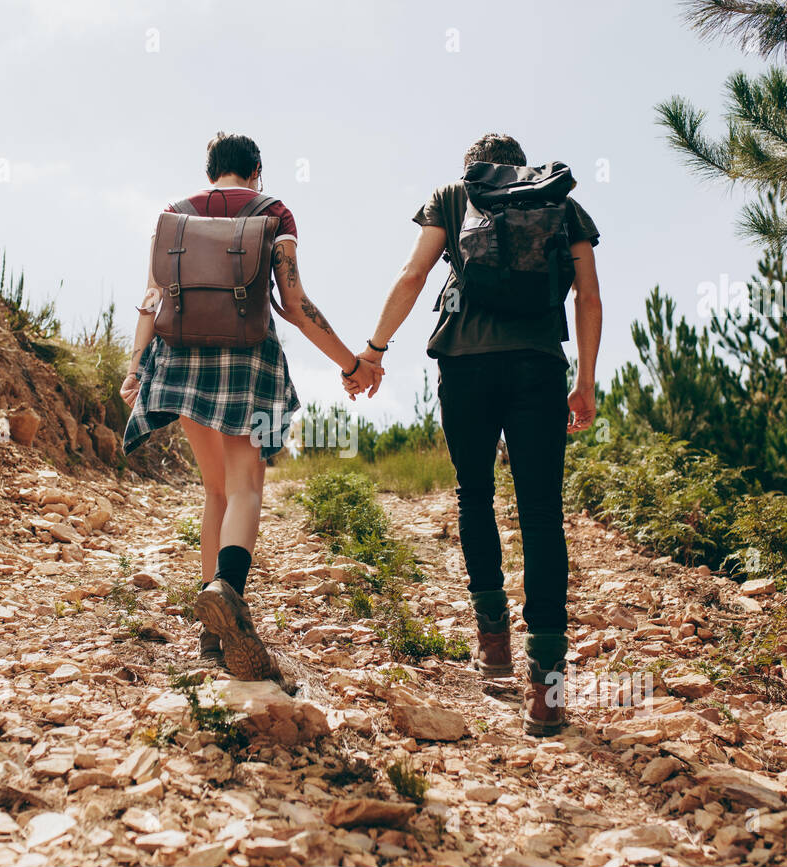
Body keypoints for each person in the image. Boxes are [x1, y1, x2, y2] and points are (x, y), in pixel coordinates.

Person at [347, 133, 603, 735]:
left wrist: (374, 349)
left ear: (474, 171)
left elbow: (413, 275)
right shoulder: (561, 202)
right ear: (522, 166)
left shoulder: (453, 196)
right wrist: (585, 381)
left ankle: (494, 648)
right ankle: (548, 690)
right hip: (538, 364)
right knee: (542, 513)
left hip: (465, 364)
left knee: (474, 497)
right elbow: (588, 296)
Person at [122, 131, 382, 683]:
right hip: (248, 361)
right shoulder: (274, 213)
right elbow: (295, 304)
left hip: (180, 358)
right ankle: (228, 596)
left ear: (209, 169)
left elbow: (153, 296)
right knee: (246, 488)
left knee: (213, 490)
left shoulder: (173, 216)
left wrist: (135, 365)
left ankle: (211, 635)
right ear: (257, 170)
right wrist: (351, 364)